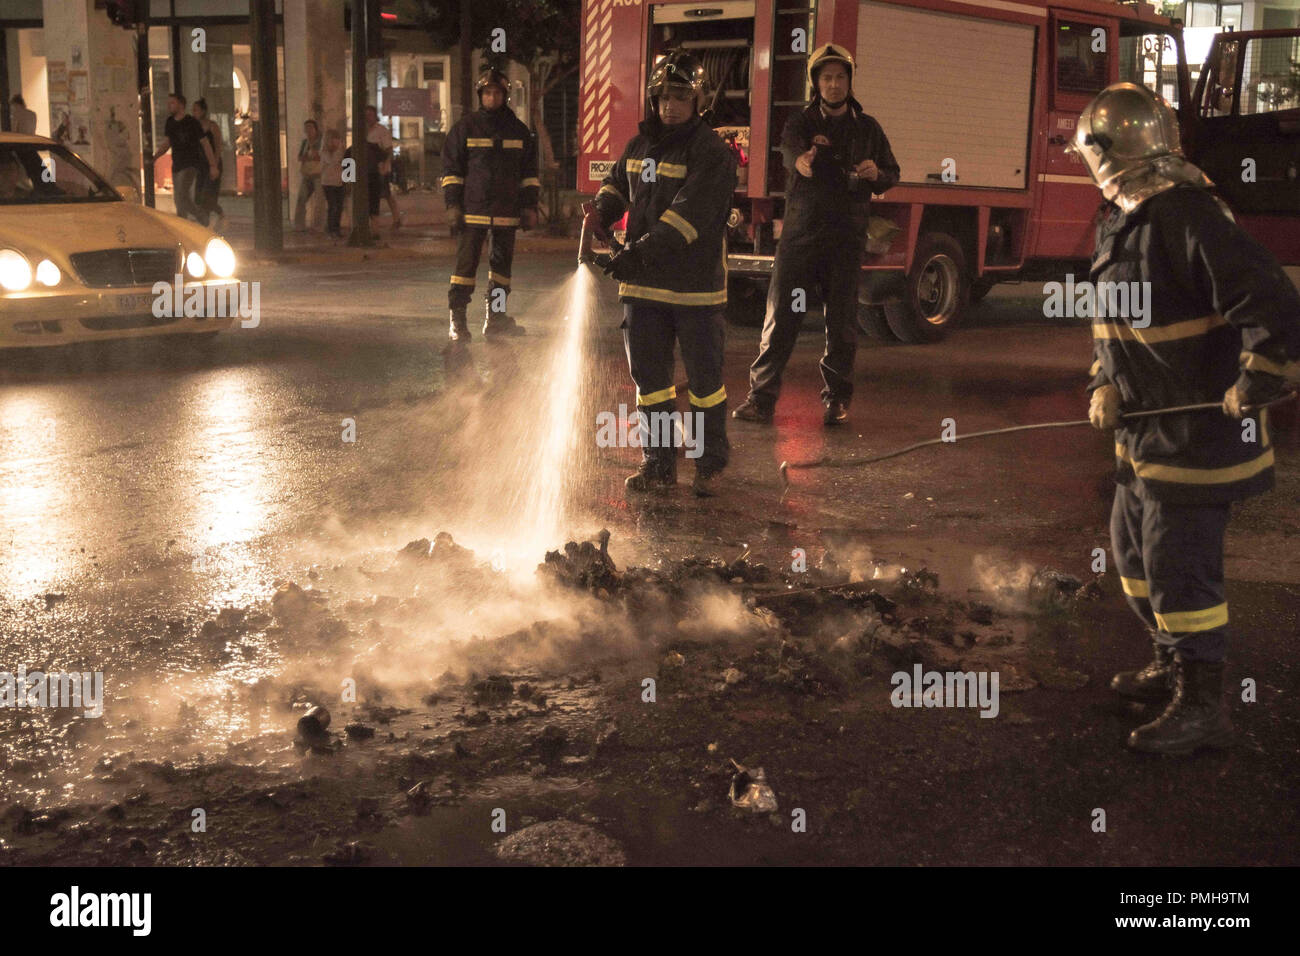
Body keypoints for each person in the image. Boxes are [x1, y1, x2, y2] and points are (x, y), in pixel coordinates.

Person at [1072, 83, 1300, 754]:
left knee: (1180, 567)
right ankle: (1170, 662)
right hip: (1143, 428)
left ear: (1110, 150)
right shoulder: (1122, 217)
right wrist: (1102, 383)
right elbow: (1110, 323)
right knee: (1133, 554)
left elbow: (1270, 299)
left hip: (1198, 431)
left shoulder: (1188, 215)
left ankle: (1203, 705)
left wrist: (1260, 375)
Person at [586, 50, 737, 497]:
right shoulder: (639, 146)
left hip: (694, 290)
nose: (669, 105)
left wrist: (639, 253)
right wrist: (602, 209)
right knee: (650, 381)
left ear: (697, 101)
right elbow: (617, 185)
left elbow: (687, 218)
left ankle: (708, 464)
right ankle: (659, 463)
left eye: (679, 97)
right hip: (644, 287)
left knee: (705, 384)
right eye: (663, 97)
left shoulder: (711, 152)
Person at [732, 44, 899, 427]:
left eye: (840, 77)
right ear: (816, 83)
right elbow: (790, 154)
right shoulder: (801, 124)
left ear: (849, 81)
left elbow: (891, 172)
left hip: (845, 241)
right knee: (782, 320)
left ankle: (837, 401)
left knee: (841, 324)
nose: (834, 84)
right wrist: (801, 162)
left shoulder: (867, 128)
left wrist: (878, 175)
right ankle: (761, 400)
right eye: (827, 77)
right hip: (802, 241)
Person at [440, 65, 540, 341]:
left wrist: (530, 206)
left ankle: (495, 318)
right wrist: (452, 206)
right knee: (465, 269)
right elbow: (452, 172)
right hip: (473, 211)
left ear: (505, 95)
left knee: (502, 271)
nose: (492, 98)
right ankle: (457, 319)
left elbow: (529, 174)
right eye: (487, 93)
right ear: (479, 95)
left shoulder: (520, 132)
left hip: (507, 212)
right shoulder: (465, 128)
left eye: (497, 93)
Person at [153, 93, 216, 223]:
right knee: (180, 198)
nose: (169, 106)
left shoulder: (192, 122)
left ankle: (186, 221)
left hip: (190, 165)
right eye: (168, 103)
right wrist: (156, 156)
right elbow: (167, 143)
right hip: (176, 165)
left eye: (172, 103)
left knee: (181, 195)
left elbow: (205, 143)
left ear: (181, 105)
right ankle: (195, 218)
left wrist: (213, 165)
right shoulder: (170, 122)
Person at [365, 106, 402, 232]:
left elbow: (388, 150)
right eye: (366, 115)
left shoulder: (382, 131)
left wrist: (386, 164)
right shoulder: (362, 130)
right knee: (372, 194)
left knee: (385, 193)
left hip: (380, 167)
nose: (368, 117)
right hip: (367, 169)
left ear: (375, 116)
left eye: (370, 114)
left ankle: (396, 218)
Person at [192, 98, 225, 230]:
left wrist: (214, 165)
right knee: (198, 195)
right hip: (200, 165)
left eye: (196, 110)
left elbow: (218, 146)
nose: (194, 113)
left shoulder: (212, 126)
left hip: (212, 163)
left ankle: (219, 214)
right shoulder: (194, 127)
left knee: (208, 194)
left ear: (203, 111)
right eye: (192, 110)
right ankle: (204, 222)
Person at [294, 118, 322, 231]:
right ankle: (299, 225)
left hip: (318, 173)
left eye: (310, 128)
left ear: (316, 129)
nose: (308, 131)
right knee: (301, 199)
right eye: (306, 128)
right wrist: (308, 156)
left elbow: (321, 156)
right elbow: (300, 157)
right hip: (307, 174)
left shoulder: (321, 141)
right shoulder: (305, 142)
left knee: (318, 202)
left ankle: (318, 225)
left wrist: (312, 156)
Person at [320, 128, 346, 239]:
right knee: (333, 206)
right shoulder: (324, 152)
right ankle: (330, 229)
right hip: (328, 183)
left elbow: (346, 165)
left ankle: (336, 228)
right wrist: (338, 151)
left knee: (339, 207)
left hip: (339, 182)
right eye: (334, 139)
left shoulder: (341, 152)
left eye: (337, 139)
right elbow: (332, 161)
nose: (336, 142)